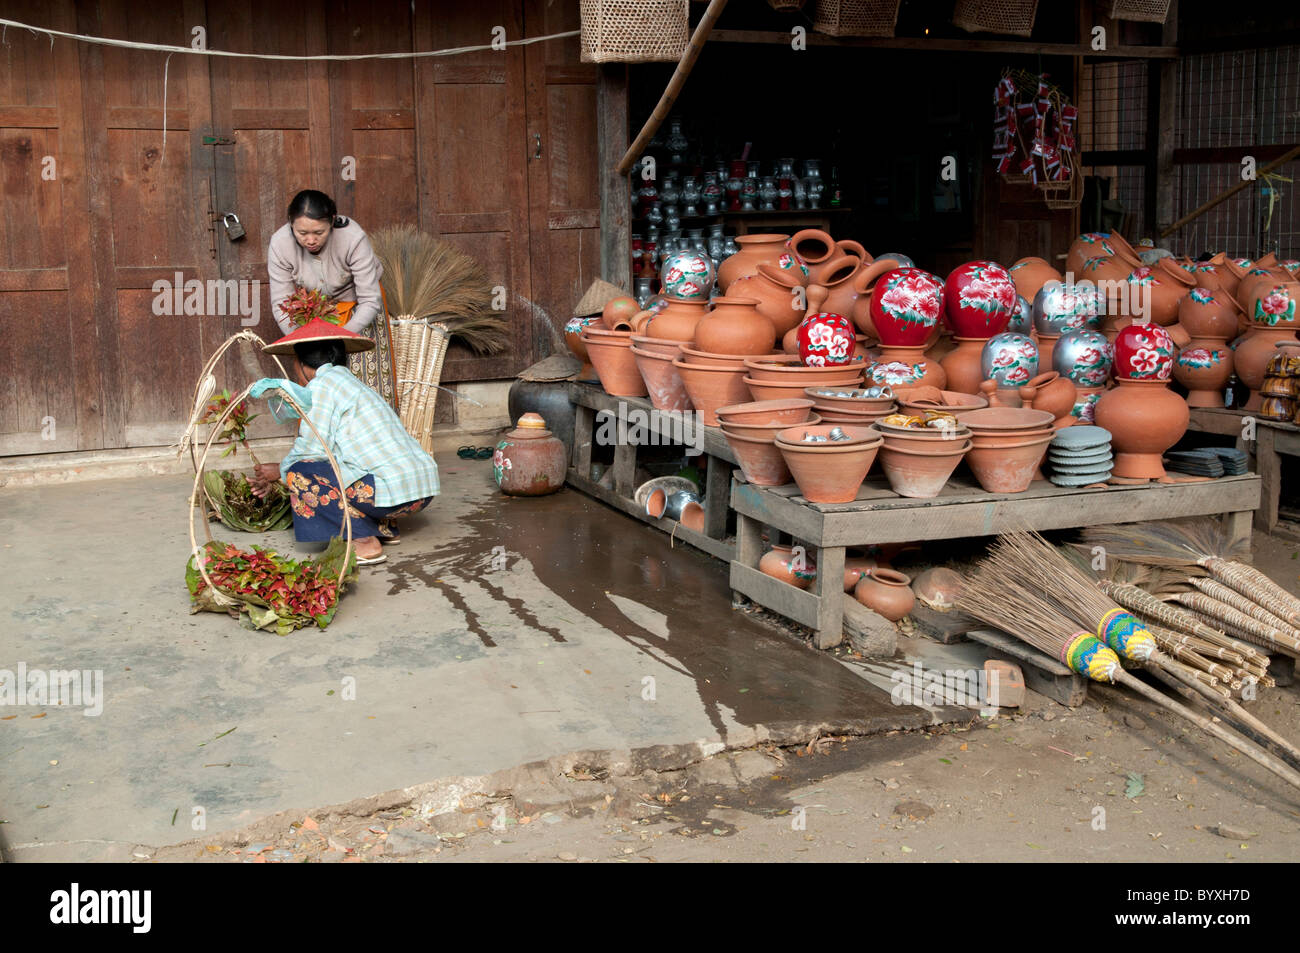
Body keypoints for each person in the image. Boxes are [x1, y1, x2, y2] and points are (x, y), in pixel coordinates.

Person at [248, 318, 438, 566]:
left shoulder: (322, 386)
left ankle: (362, 540)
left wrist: (280, 471)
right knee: (333, 467)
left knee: (299, 472)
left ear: (302, 364)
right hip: (421, 491)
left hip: (389, 496)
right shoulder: (354, 384)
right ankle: (384, 527)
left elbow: (312, 450)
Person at [267, 189, 399, 408]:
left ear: (332, 222)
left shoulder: (352, 237)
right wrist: (304, 341)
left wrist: (341, 338)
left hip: (359, 308)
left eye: (319, 232)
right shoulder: (280, 244)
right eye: (302, 233)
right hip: (315, 312)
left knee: (368, 382)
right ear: (291, 224)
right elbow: (281, 304)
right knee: (317, 383)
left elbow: (370, 299)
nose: (310, 240)